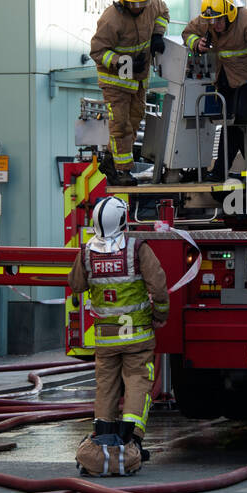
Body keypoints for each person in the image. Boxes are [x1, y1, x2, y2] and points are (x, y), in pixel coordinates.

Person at [66, 196, 170, 475]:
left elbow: (75, 284)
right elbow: (158, 286)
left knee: (106, 386)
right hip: (136, 334)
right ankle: (131, 440)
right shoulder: (137, 248)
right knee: (137, 382)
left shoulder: (87, 251)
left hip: (106, 337)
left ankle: (103, 439)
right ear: (123, 220)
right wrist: (160, 314)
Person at [182, 0, 247, 180]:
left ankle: (222, 173)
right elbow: (188, 33)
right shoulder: (209, 18)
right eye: (211, 21)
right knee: (236, 128)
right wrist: (196, 43)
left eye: (218, 21)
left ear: (230, 15)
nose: (214, 25)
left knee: (237, 127)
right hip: (224, 80)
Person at [90, 0, 170, 186]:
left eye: (142, 3)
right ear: (123, 1)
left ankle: (109, 160)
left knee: (134, 123)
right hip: (115, 82)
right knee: (120, 126)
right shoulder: (110, 19)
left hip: (139, 79)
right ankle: (122, 171)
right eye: (134, 4)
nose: (139, 8)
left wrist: (157, 35)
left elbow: (163, 11)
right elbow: (98, 51)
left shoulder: (151, 5)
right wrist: (121, 62)